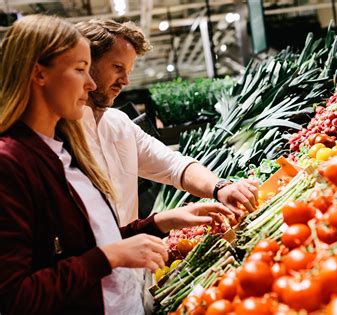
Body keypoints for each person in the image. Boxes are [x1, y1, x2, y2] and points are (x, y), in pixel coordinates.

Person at [0, 15, 233, 315]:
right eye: (80, 69)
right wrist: (110, 256)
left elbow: (91, 243)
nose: (91, 83)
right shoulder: (13, 163)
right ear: (38, 73)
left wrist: (161, 222)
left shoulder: (63, 151)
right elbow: (14, 296)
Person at [75, 19, 259, 226]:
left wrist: (220, 187)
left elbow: (173, 166)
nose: (125, 80)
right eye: (118, 67)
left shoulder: (118, 124)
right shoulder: (59, 135)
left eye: (129, 71)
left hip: (134, 251)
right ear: (85, 63)